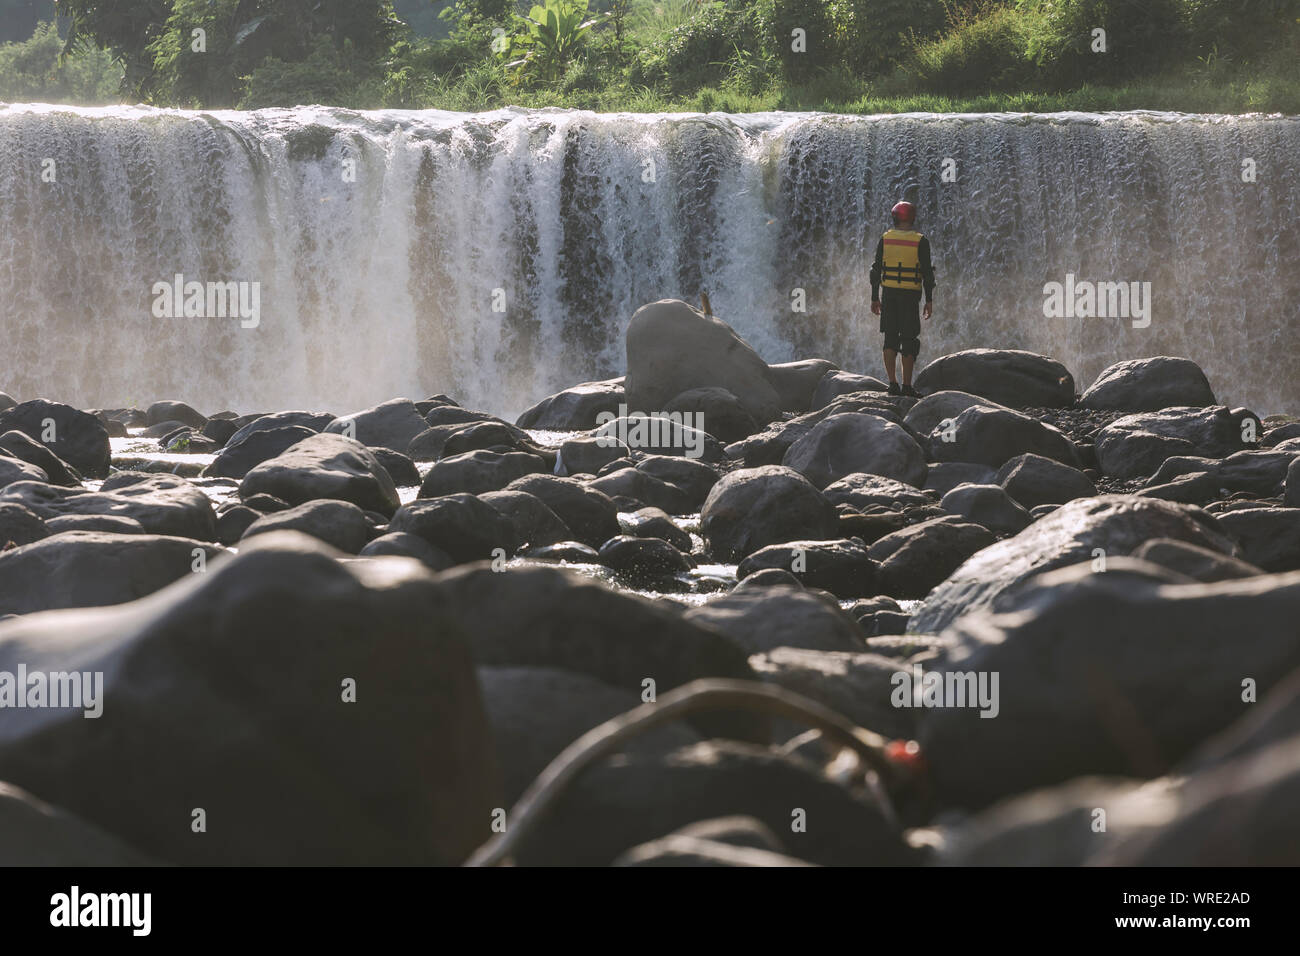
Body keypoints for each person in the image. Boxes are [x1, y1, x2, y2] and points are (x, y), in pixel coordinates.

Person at [870, 201, 935, 398]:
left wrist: (874, 297)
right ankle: (907, 386)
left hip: (889, 293)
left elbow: (876, 271)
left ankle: (892, 384)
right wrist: (929, 300)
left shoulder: (885, 238)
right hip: (910, 296)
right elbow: (927, 274)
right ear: (913, 218)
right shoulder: (920, 241)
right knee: (909, 339)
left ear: (895, 218)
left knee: (889, 338)